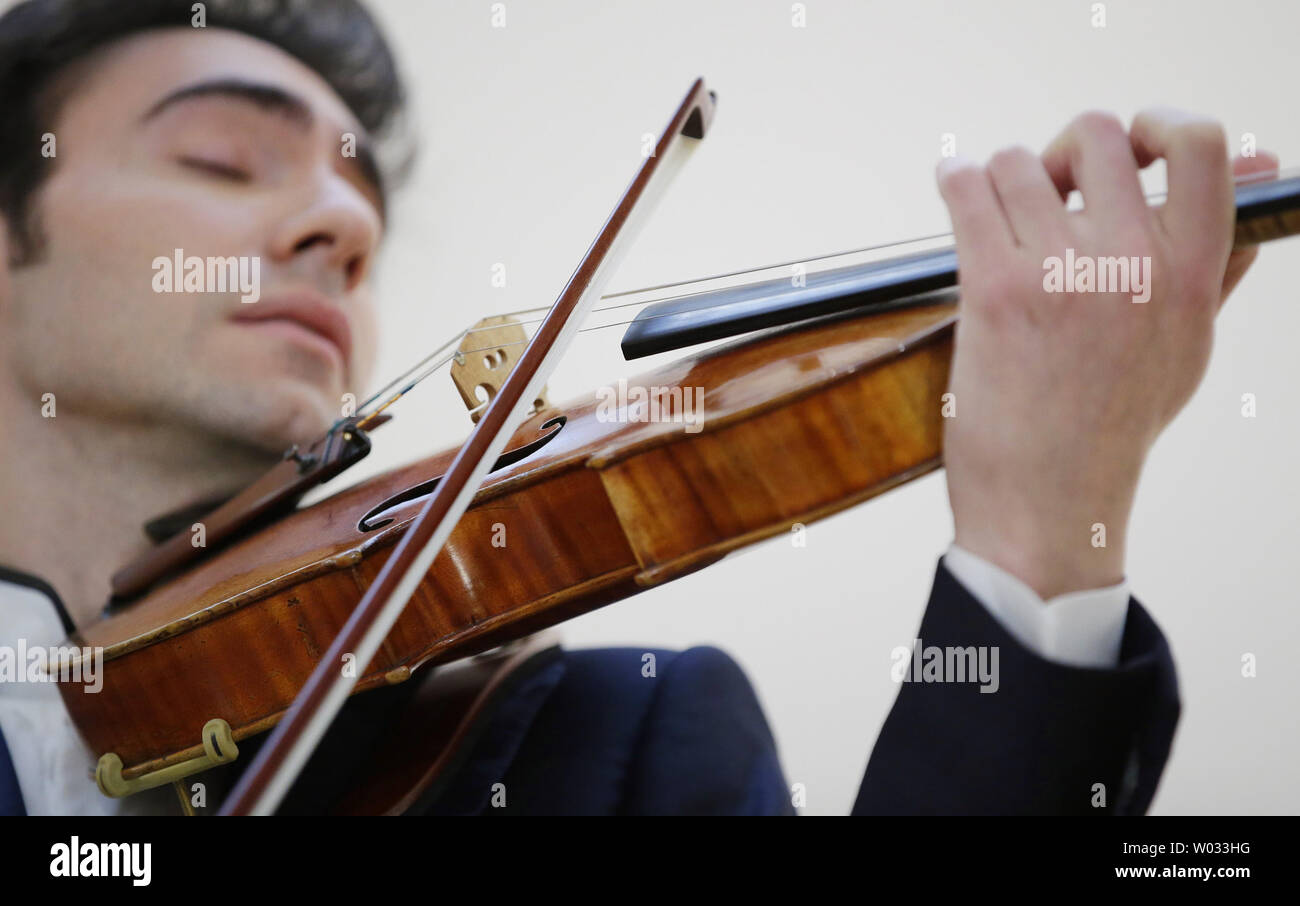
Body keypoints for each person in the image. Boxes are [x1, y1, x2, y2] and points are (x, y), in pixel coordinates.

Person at [0, 0, 1275, 816]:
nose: (344, 224)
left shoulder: (607, 749)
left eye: (365, 209)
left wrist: (1042, 543)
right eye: (221, 161)